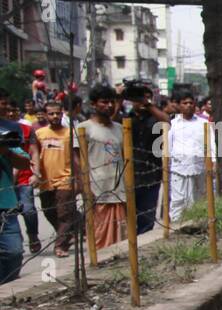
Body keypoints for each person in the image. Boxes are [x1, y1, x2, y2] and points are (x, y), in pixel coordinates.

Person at [74, 85, 128, 251]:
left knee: (121, 232)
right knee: (99, 233)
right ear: (94, 104)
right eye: (105, 102)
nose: (109, 106)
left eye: (112, 102)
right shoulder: (84, 128)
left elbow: (126, 158)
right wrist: (84, 185)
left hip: (119, 189)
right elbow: (77, 159)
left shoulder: (120, 129)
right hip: (97, 188)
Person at [122, 80, 168, 234]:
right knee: (127, 219)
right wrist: (118, 96)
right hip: (129, 175)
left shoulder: (156, 118)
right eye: (139, 98)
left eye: (147, 97)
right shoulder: (125, 118)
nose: (142, 101)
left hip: (151, 175)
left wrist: (148, 104)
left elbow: (167, 122)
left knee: (147, 219)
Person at [33, 99, 77, 257]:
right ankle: (67, 233)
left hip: (65, 178)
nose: (55, 116)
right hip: (46, 181)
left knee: (64, 213)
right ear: (45, 115)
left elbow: (76, 156)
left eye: (58, 113)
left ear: (62, 113)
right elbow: (34, 154)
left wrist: (78, 177)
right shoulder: (39, 134)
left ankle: (60, 246)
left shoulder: (70, 132)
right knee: (48, 211)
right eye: (51, 113)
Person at [0, 97, 33, 282]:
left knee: (14, 252)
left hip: (5, 203)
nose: (5, 106)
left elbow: (25, 162)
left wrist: (5, 150)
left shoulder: (10, 128)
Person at [166, 91, 211, 224]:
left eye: (191, 103)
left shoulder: (203, 123)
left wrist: (212, 163)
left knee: (198, 197)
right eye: (185, 103)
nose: (188, 105)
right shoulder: (173, 124)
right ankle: (176, 227)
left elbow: (210, 144)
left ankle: (197, 225)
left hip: (199, 167)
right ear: (179, 105)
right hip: (178, 168)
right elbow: (168, 146)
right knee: (178, 199)